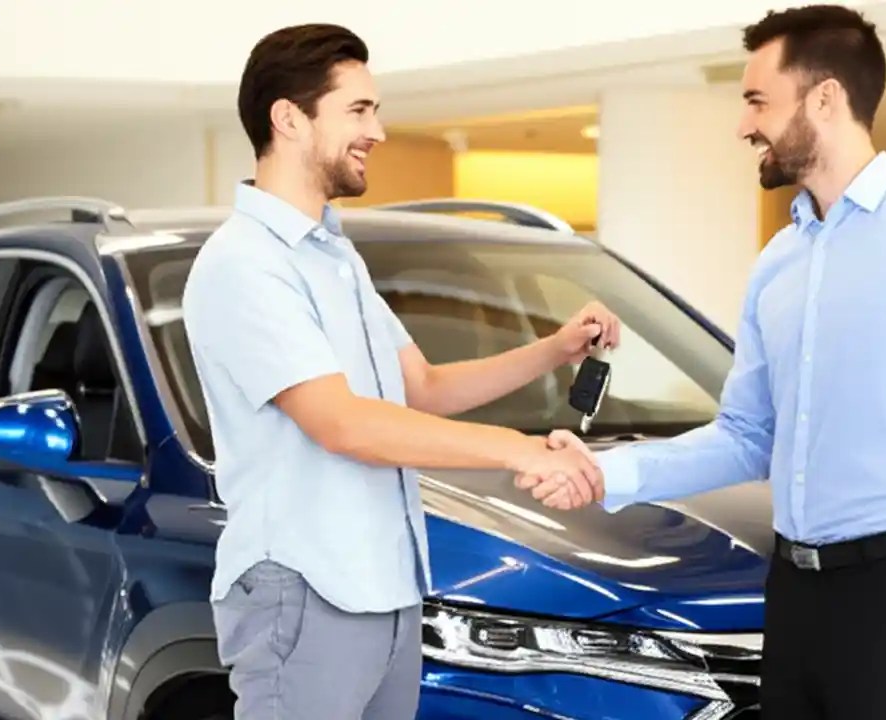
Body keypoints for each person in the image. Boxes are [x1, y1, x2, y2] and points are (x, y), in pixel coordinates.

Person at [530, 6, 886, 719]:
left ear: (825, 98)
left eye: (758, 100)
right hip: (793, 589)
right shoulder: (779, 264)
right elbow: (746, 435)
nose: (744, 125)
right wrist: (605, 472)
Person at [181, 23, 617, 720]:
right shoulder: (246, 263)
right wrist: (518, 449)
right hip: (304, 591)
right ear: (288, 118)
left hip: (387, 590)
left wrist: (554, 350)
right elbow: (342, 422)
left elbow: (422, 389)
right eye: (358, 110)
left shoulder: (334, 257)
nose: (378, 131)